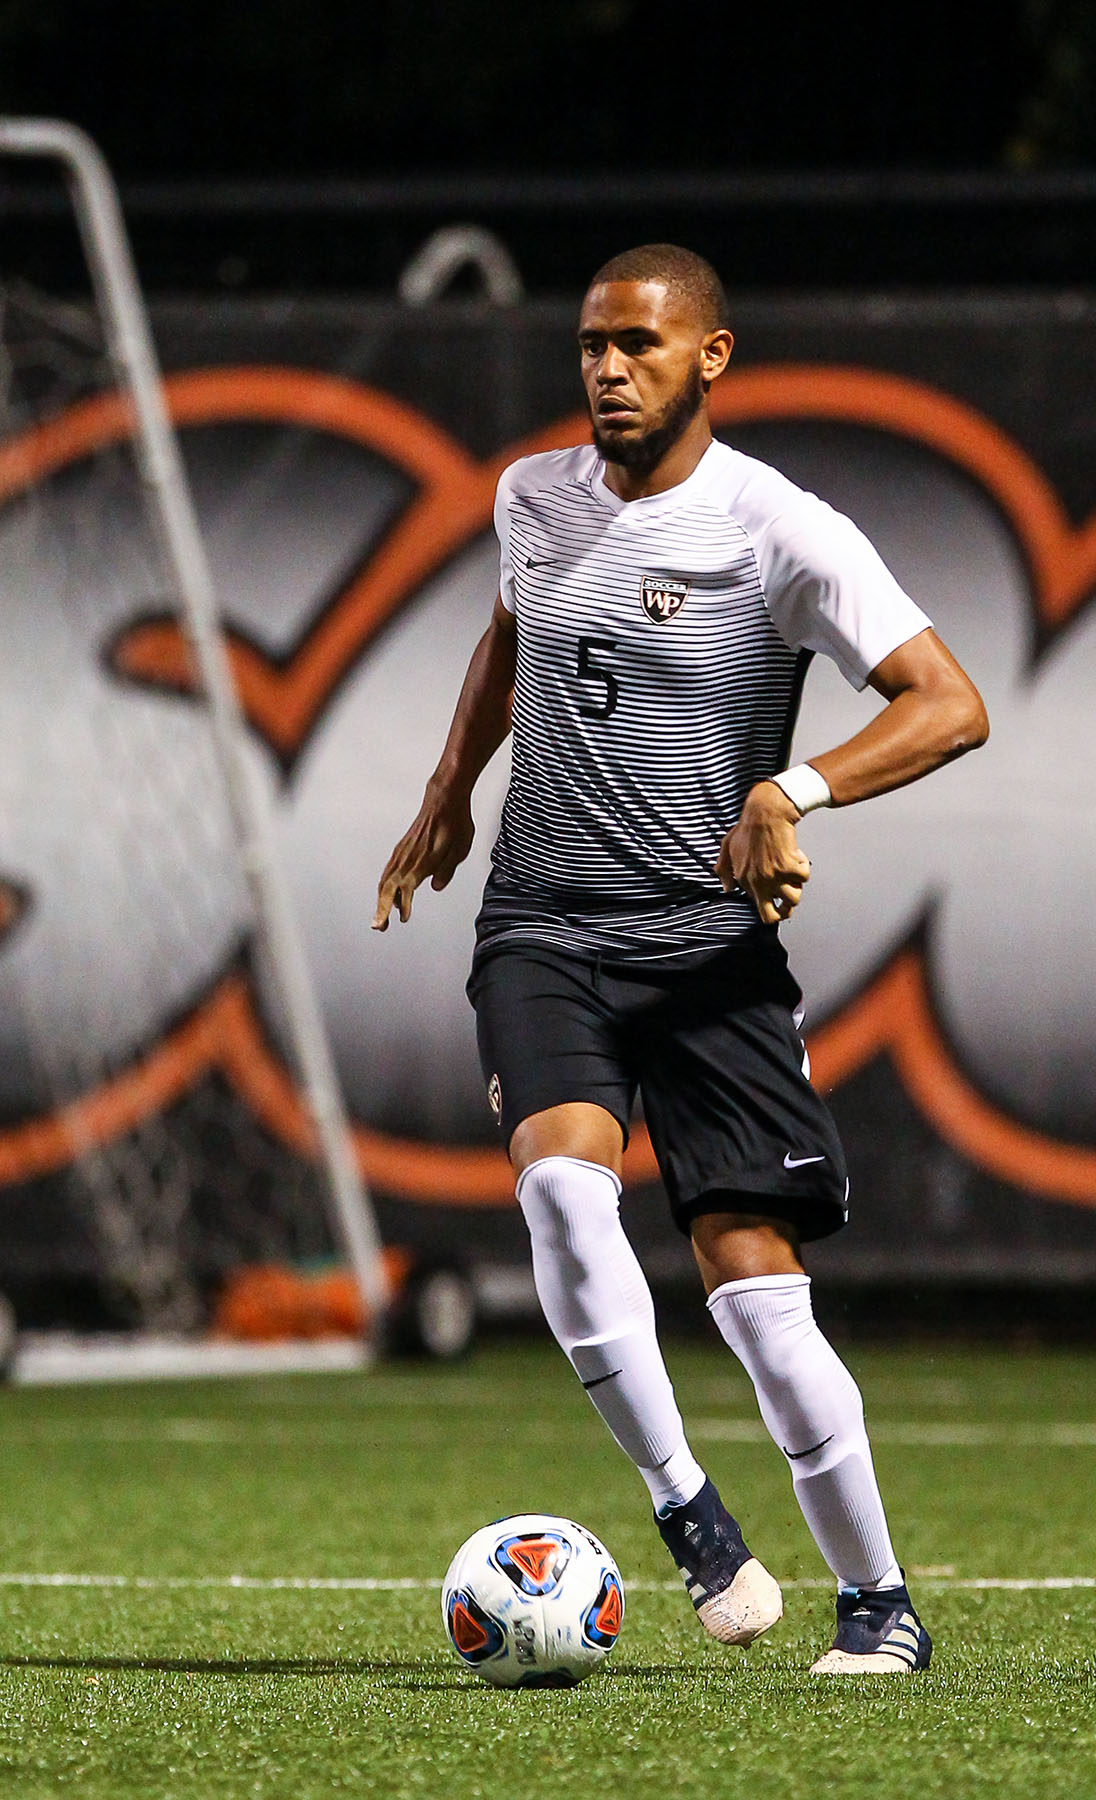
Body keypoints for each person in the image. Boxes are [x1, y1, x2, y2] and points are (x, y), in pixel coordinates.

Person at [373, 244, 988, 1674]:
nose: (606, 368)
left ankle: (878, 1603)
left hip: (708, 953)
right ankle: (689, 1513)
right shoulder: (530, 497)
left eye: (638, 345)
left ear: (710, 358)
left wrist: (794, 789)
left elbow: (948, 704)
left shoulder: (779, 528)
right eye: (592, 344)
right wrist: (451, 788)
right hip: (543, 926)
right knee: (561, 1193)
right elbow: (510, 637)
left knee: (754, 1287)